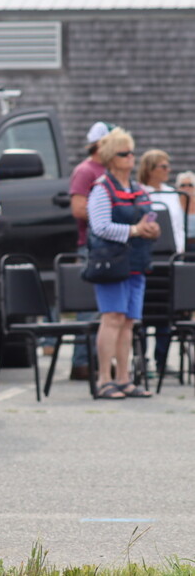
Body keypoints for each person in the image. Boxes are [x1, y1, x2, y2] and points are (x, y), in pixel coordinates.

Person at [87, 128, 159, 399]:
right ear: (110, 158)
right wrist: (135, 231)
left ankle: (124, 378)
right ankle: (104, 379)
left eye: (132, 152)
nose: (131, 157)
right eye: (124, 153)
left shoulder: (139, 189)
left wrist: (152, 230)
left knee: (128, 321)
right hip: (111, 263)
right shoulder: (101, 189)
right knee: (112, 318)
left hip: (136, 262)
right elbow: (101, 226)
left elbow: (148, 218)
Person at [67, 121, 114, 380]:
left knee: (106, 308)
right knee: (88, 306)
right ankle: (81, 363)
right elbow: (77, 208)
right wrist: (108, 215)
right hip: (91, 246)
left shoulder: (109, 170)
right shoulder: (86, 171)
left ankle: (100, 360)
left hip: (110, 247)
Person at [138, 149, 185, 373]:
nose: (167, 171)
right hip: (146, 258)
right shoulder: (139, 192)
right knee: (144, 311)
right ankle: (142, 359)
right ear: (150, 169)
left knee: (165, 312)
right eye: (163, 167)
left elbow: (177, 227)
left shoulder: (171, 194)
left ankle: (162, 360)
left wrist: (180, 252)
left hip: (170, 260)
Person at [176, 170, 195, 250]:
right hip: (180, 244)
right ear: (178, 188)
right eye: (183, 185)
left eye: (190, 185)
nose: (187, 188)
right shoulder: (174, 204)